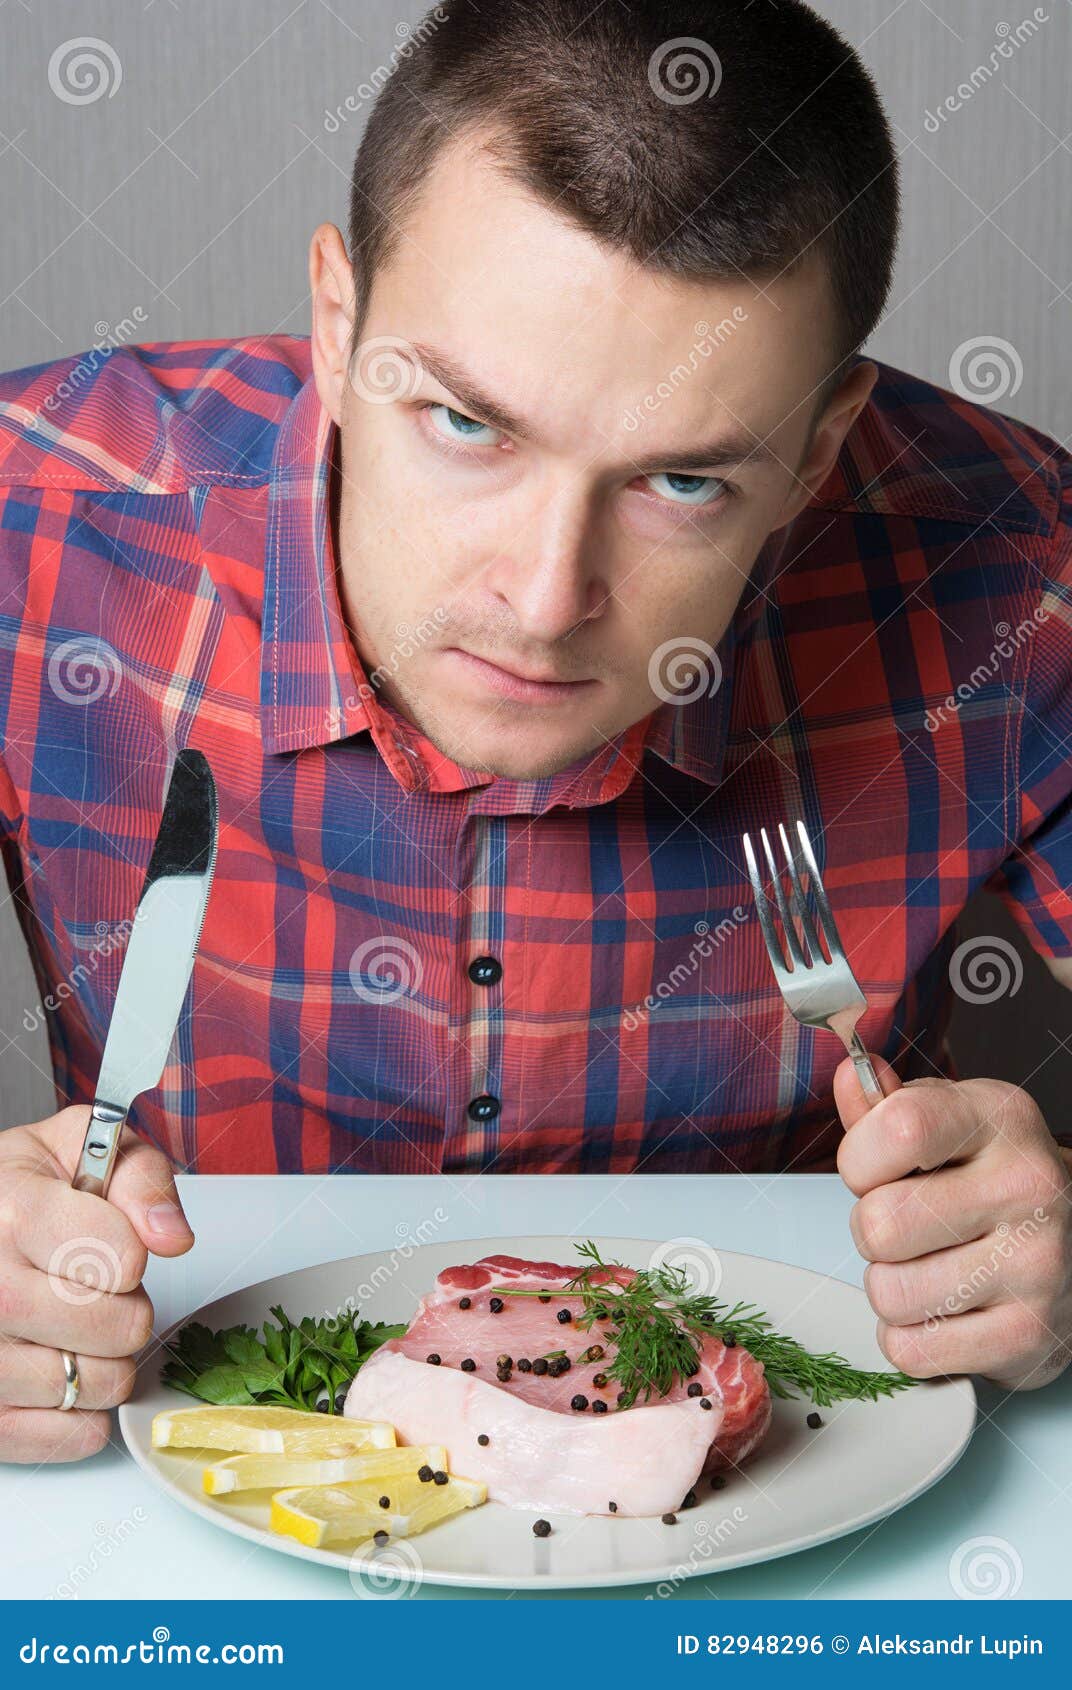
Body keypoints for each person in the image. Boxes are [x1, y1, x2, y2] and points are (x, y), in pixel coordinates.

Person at [0, 0, 1069, 1465]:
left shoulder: (1026, 579)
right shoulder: (31, 530)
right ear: (336, 322)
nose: (545, 596)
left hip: (797, 1498)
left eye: (683, 483)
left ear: (817, 450)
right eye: (464, 422)